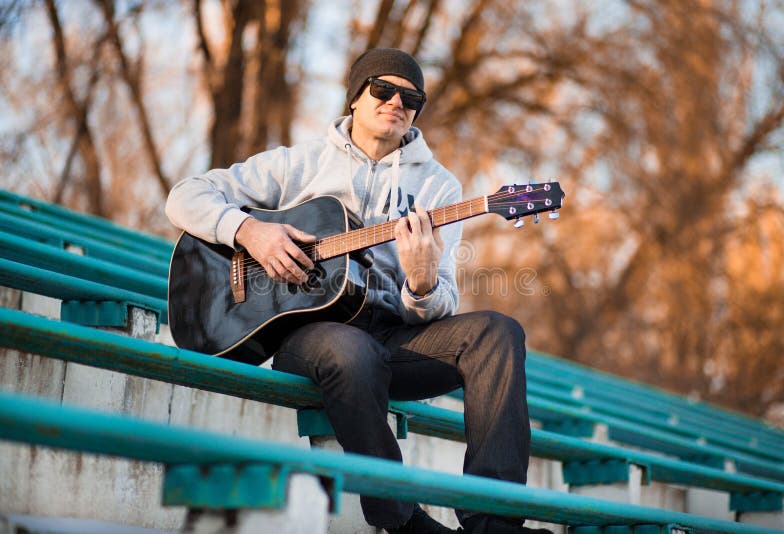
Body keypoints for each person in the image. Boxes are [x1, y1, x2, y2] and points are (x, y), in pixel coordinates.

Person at [166, 48, 550, 534]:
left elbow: (442, 301)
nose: (396, 103)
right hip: (310, 339)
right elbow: (184, 196)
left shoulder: (439, 189)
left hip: (394, 337)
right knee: (352, 351)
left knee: (498, 333)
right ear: (355, 96)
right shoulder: (298, 163)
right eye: (382, 90)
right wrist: (250, 233)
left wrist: (422, 282)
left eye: (410, 98)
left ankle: (494, 523)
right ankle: (403, 519)